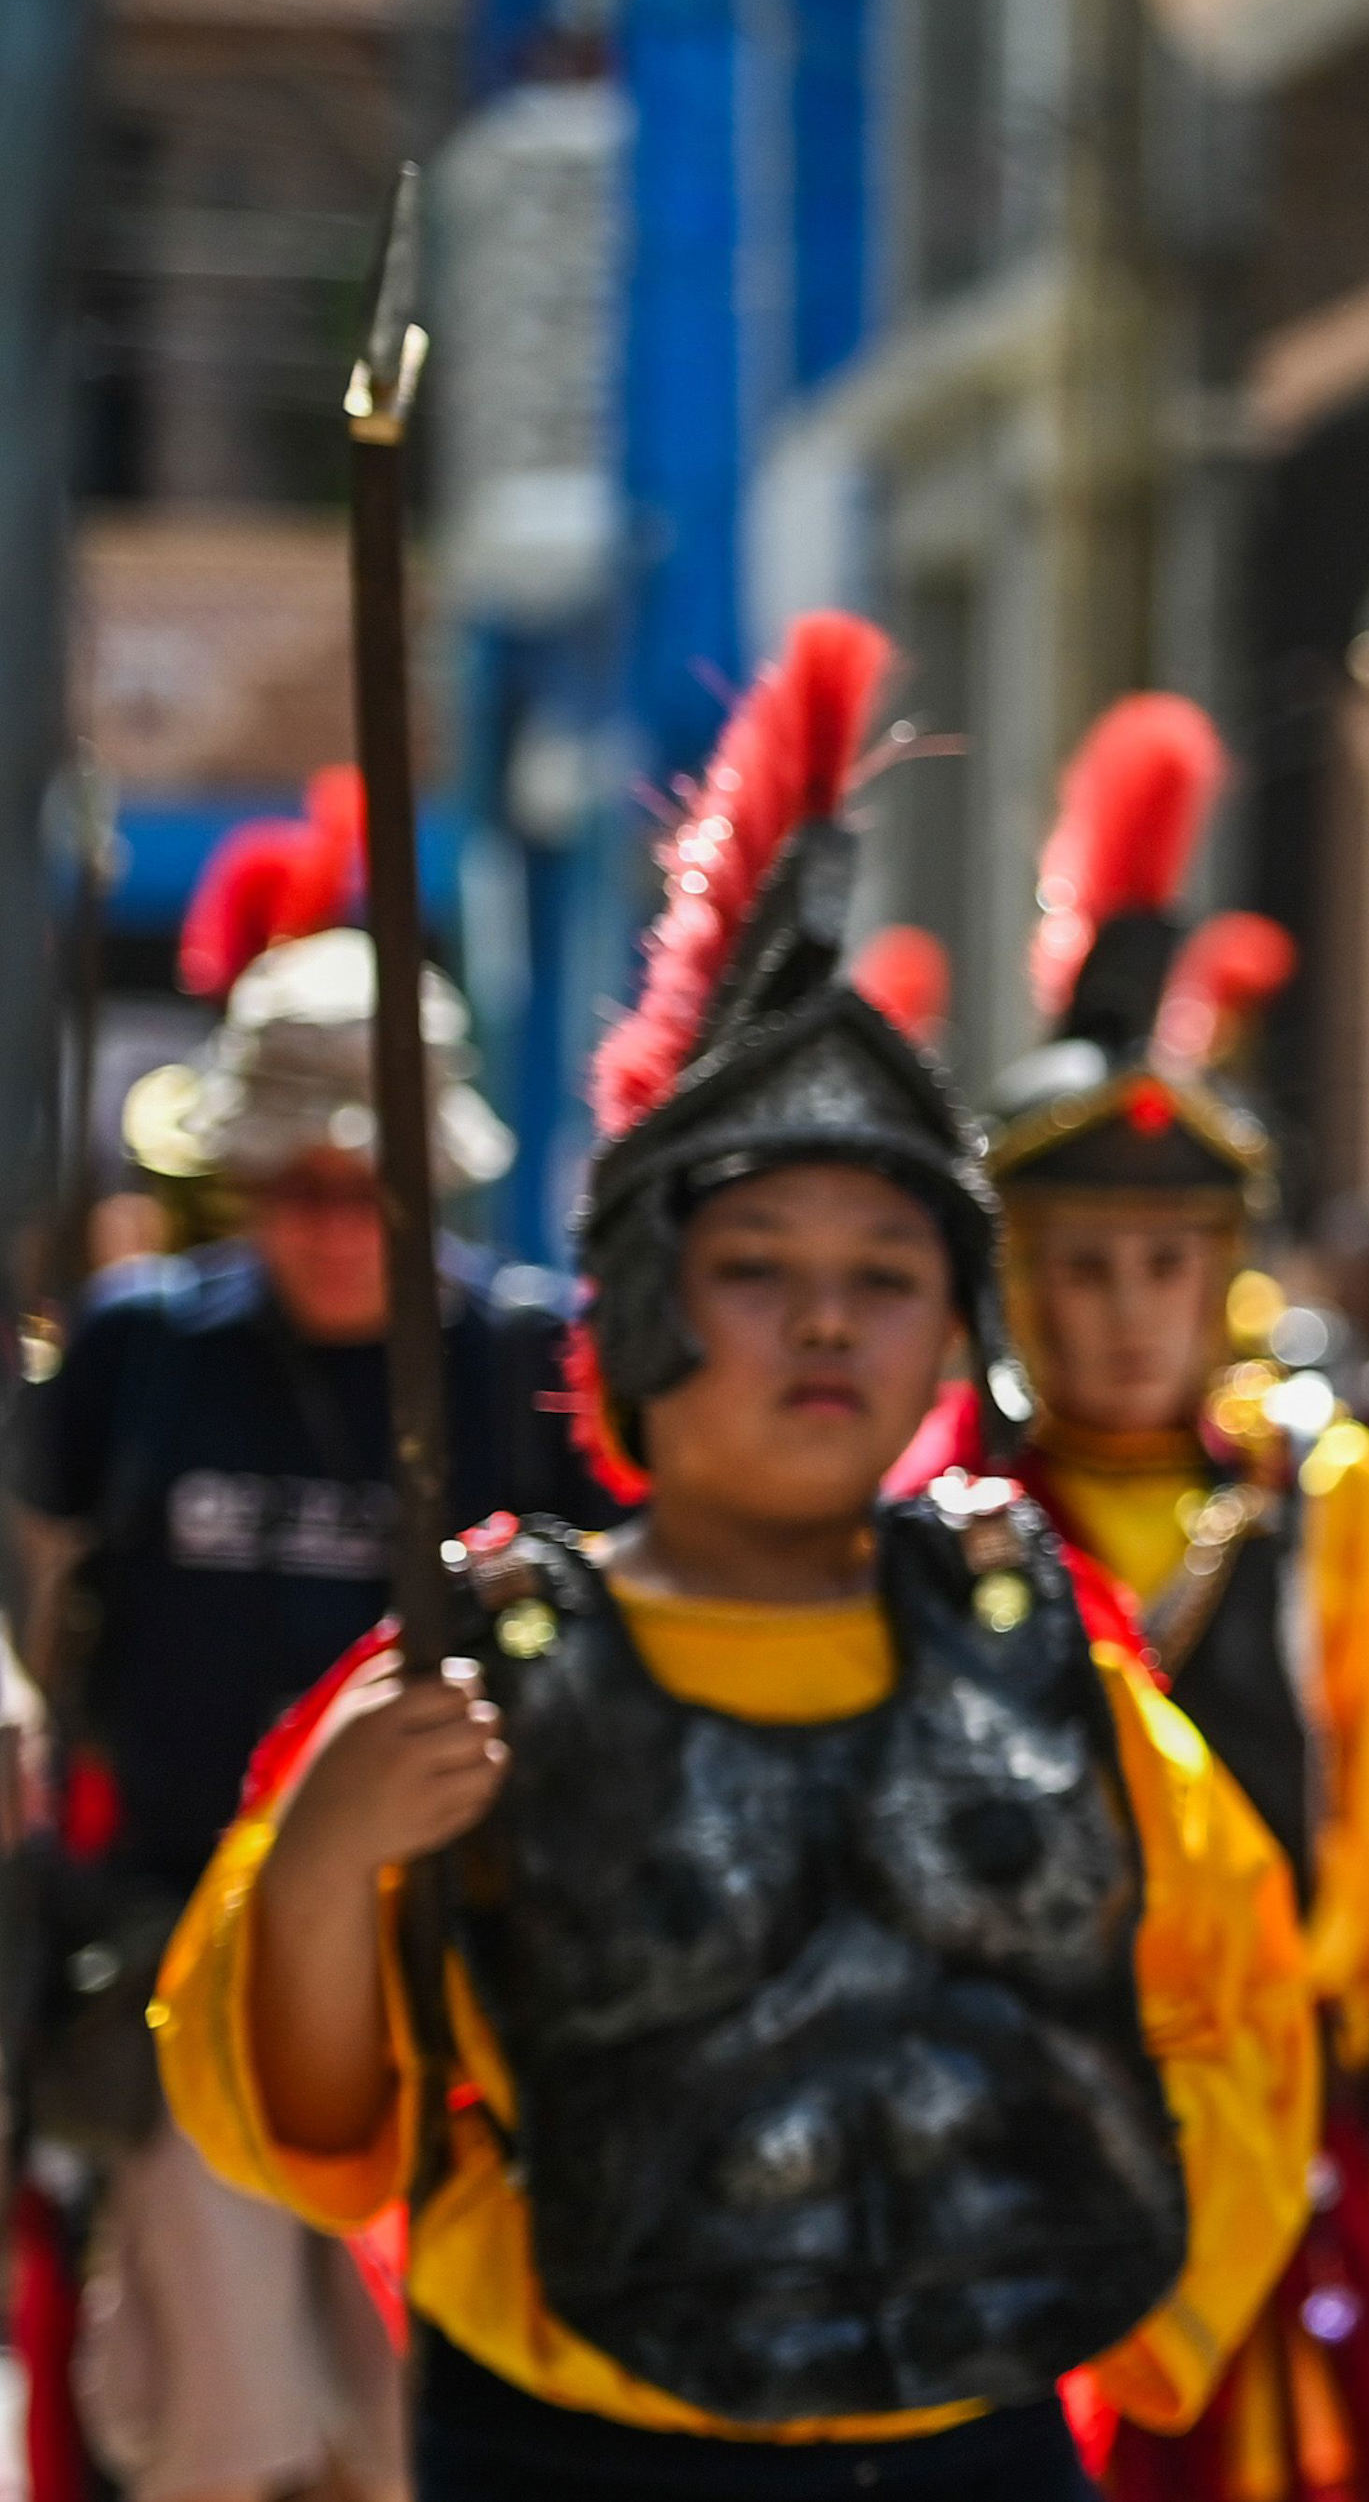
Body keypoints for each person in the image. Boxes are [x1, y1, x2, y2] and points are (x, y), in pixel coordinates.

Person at [149, 614, 1318, 2500]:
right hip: (579, 2453)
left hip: (973, 2450)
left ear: (955, 1329)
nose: (826, 1324)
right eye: (757, 1270)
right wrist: (326, 1863)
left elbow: (1231, 2004)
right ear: (633, 1313)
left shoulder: (1041, 1650)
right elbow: (321, 2130)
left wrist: (1116, 2306)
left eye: (884, 1275)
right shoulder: (494, 1661)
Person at [920, 689, 1369, 2501]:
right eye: (1082, 1265)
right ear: (1008, 1279)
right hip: (976, 2163)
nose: (1130, 1311)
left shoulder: (1324, 1505)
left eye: (1165, 1264)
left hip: (1273, 2172)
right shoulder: (937, 1518)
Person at [20, 772, 598, 2502]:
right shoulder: (140, 1353)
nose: (337, 1226)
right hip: (184, 1954)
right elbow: (34, 1571)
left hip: (467, 1986)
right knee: (220, 2436)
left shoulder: (529, 1365)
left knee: (429, 2440)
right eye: (298, 1185)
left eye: (374, 1187)